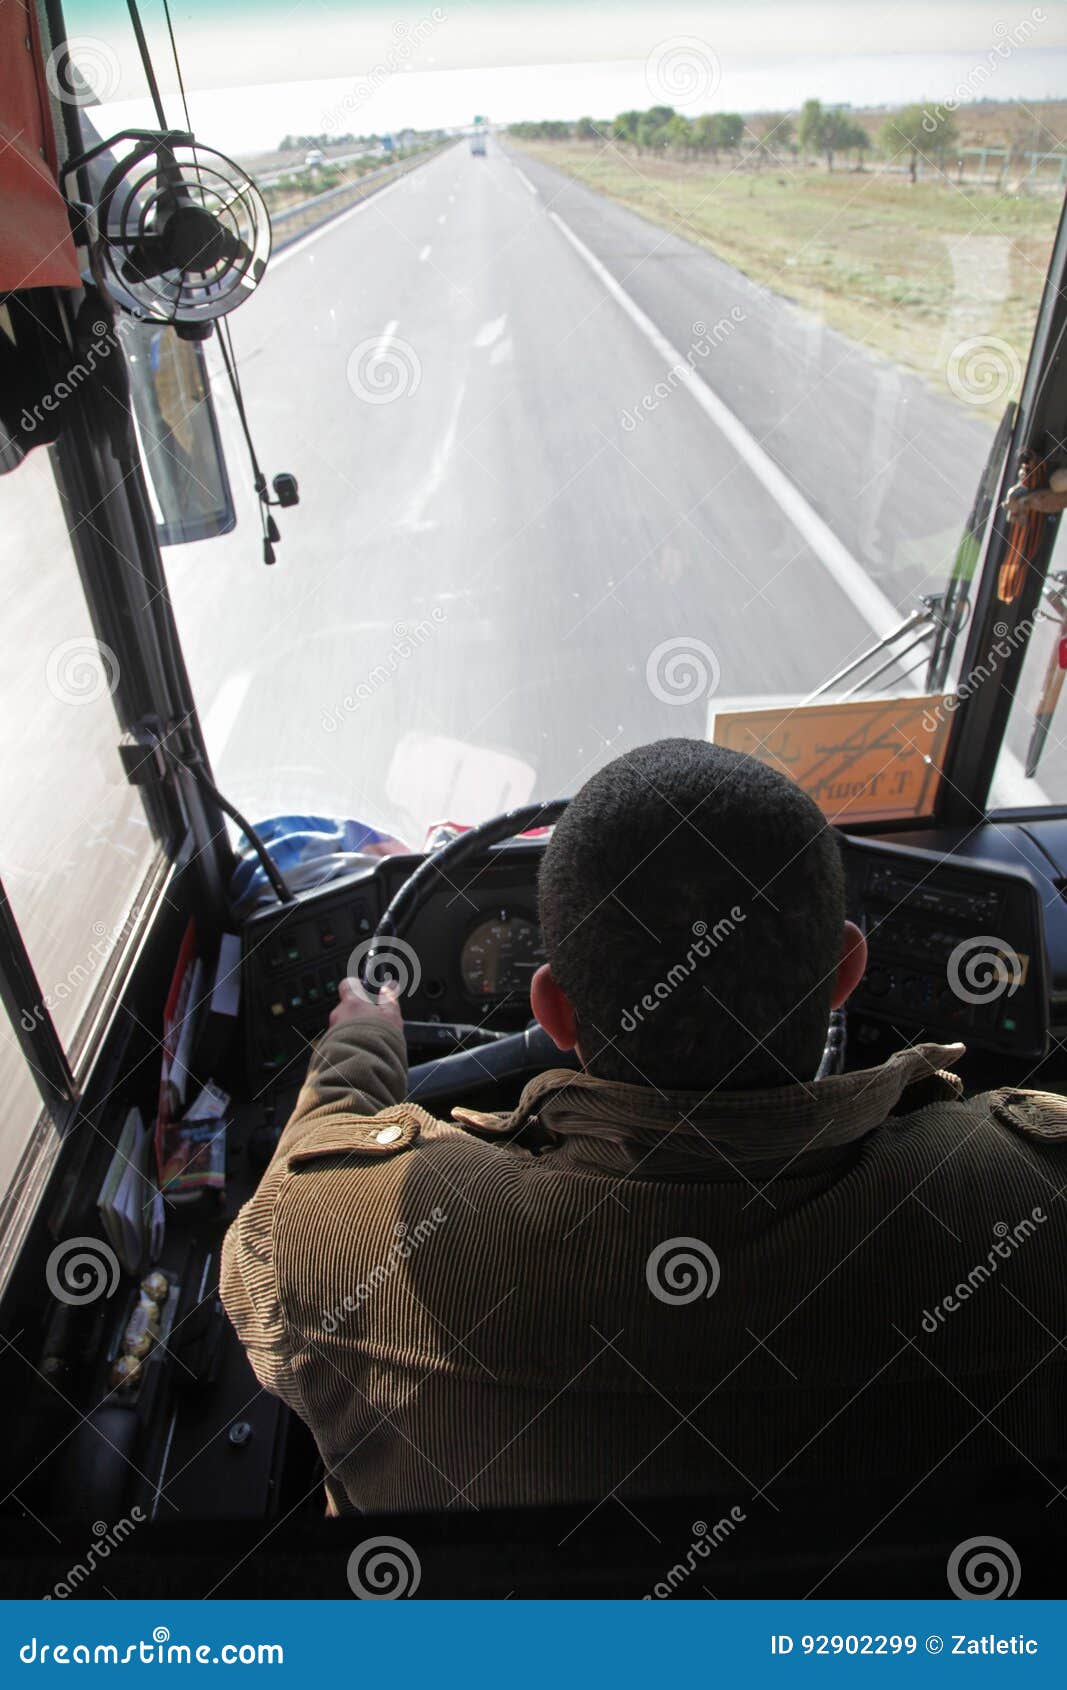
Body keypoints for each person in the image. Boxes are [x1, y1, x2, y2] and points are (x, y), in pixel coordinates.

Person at [222, 739, 1067, 1516]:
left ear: (550, 1008)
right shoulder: (1037, 1198)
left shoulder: (329, 1248)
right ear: (846, 971)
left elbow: (274, 1216)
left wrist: (359, 1051)